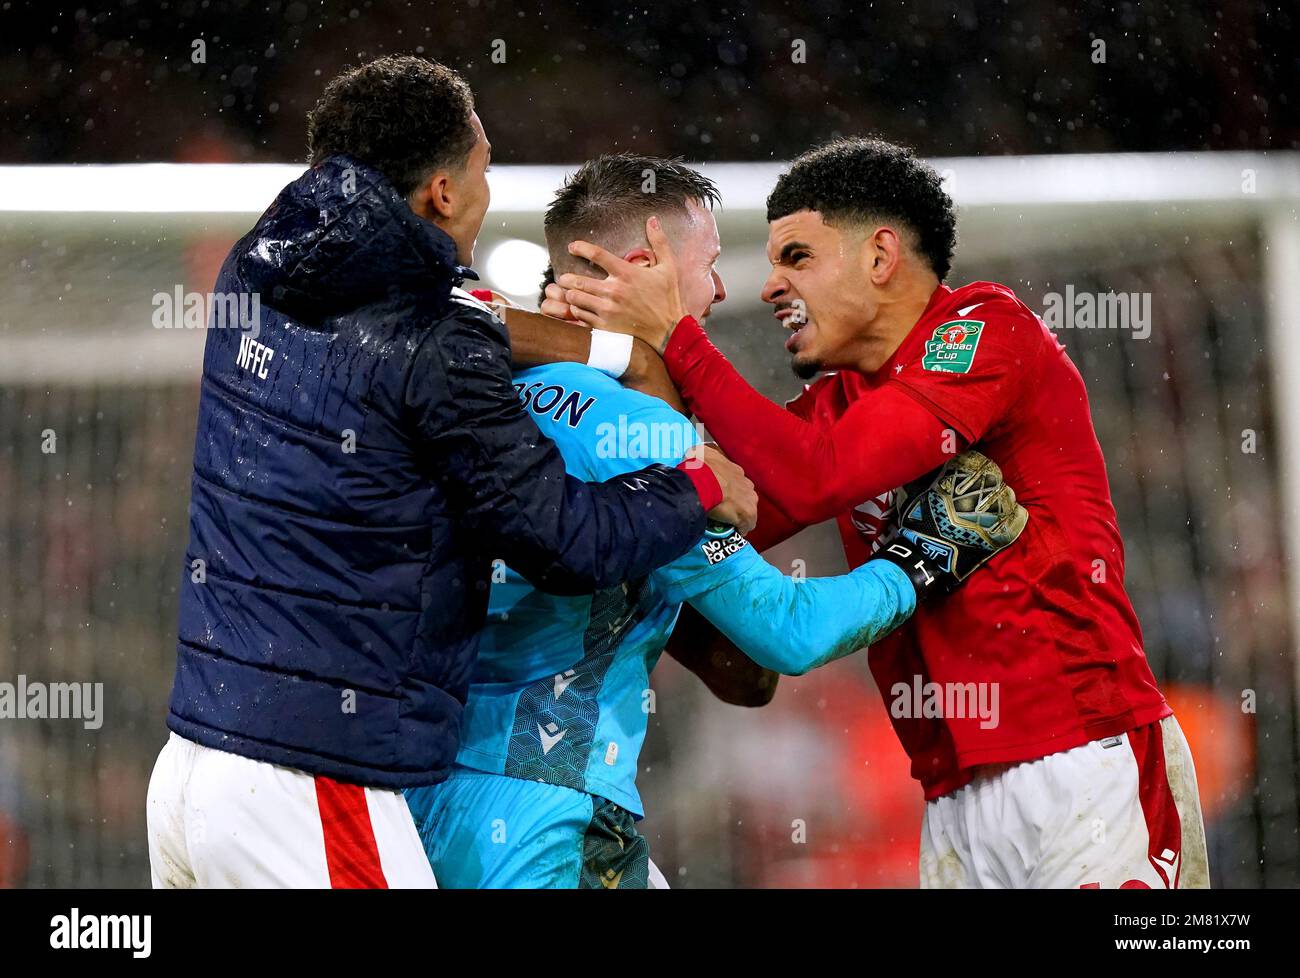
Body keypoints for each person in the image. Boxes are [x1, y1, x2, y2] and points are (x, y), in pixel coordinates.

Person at [145, 56, 756, 889]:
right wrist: (700, 483)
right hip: (311, 780)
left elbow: (464, 325)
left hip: (191, 768)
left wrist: (622, 351)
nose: (486, 192)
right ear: (441, 192)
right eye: (484, 171)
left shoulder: (256, 268)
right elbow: (563, 539)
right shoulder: (436, 336)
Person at [543, 137, 1209, 889]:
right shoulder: (835, 406)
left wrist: (676, 338)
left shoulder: (983, 330)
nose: (766, 287)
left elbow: (817, 474)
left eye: (796, 257)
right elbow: (730, 508)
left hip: (1082, 757)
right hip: (955, 795)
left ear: (880, 256)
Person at [405, 155, 1025, 888]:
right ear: (644, 267)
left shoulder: (477, 396)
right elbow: (785, 633)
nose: (725, 288)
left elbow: (738, 673)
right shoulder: (648, 434)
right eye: (707, 264)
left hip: (425, 802)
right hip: (548, 813)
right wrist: (923, 558)